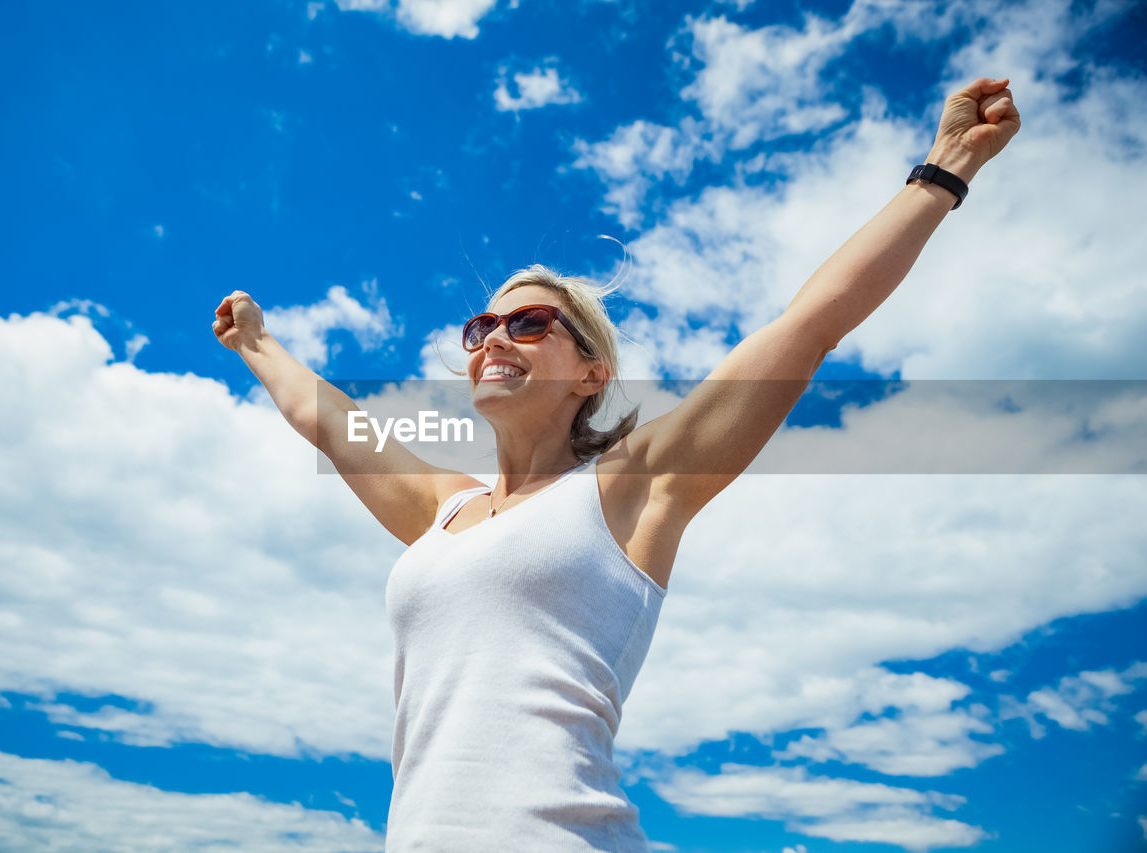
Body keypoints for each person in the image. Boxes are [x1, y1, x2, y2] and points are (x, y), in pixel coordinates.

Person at [213, 78, 1020, 851]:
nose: (495, 337)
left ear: (593, 372)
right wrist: (256, 341)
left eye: (530, 323)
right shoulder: (442, 511)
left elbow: (809, 325)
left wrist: (943, 169)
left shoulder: (628, 487)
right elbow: (331, 423)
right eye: (482, 325)